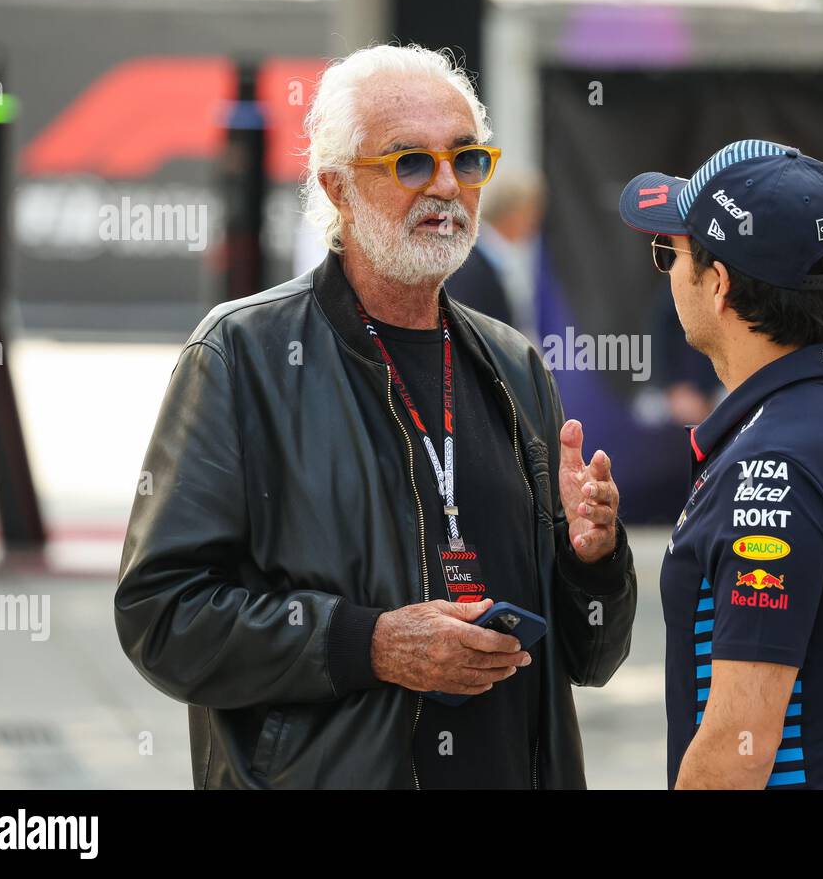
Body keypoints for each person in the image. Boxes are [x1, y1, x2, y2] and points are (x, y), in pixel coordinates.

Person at [115, 43, 637, 789]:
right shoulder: (243, 356)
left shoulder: (513, 364)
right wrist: (371, 644)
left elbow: (591, 657)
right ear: (335, 186)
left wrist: (594, 565)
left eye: (468, 159)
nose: (448, 186)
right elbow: (161, 616)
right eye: (411, 163)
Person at [620, 140, 823, 789]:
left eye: (668, 254)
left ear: (720, 284)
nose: (668, 273)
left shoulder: (774, 466)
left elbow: (741, 752)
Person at [446, 171, 544, 344]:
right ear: (516, 214)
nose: (535, 224)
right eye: (532, 213)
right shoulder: (470, 266)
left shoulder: (491, 259)